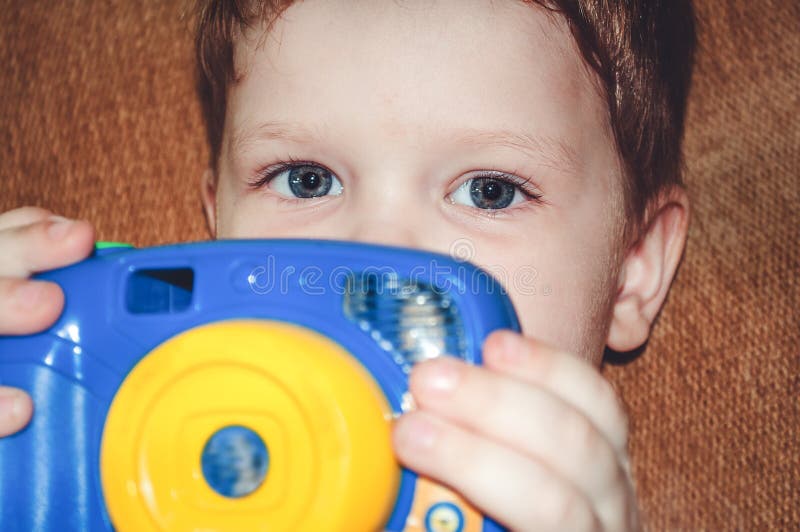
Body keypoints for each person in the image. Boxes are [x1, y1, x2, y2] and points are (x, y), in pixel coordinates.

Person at [0, 0, 696, 529]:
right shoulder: (104, 450)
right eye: (306, 180)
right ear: (214, 231)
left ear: (635, 269)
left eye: (491, 191)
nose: (381, 254)